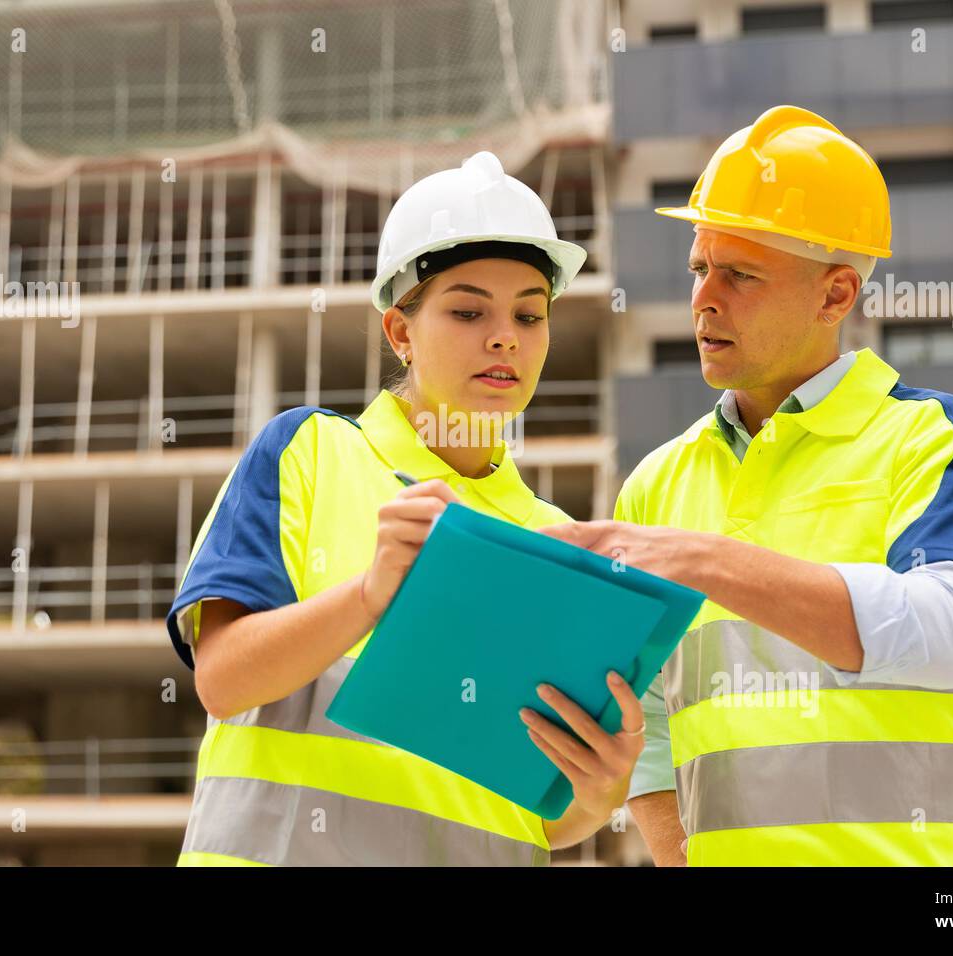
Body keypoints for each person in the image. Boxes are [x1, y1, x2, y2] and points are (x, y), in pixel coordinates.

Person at [543, 106, 953, 866]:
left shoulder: (932, 438)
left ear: (835, 296)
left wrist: (698, 562)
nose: (704, 298)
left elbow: (940, 640)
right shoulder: (656, 485)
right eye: (701, 267)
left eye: (741, 274)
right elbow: (655, 723)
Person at [165, 151, 645, 866]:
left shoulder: (554, 536)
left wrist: (600, 795)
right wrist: (366, 598)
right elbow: (223, 680)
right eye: (467, 309)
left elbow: (534, 816)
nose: (505, 336)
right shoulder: (310, 453)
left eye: (529, 315)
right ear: (400, 332)